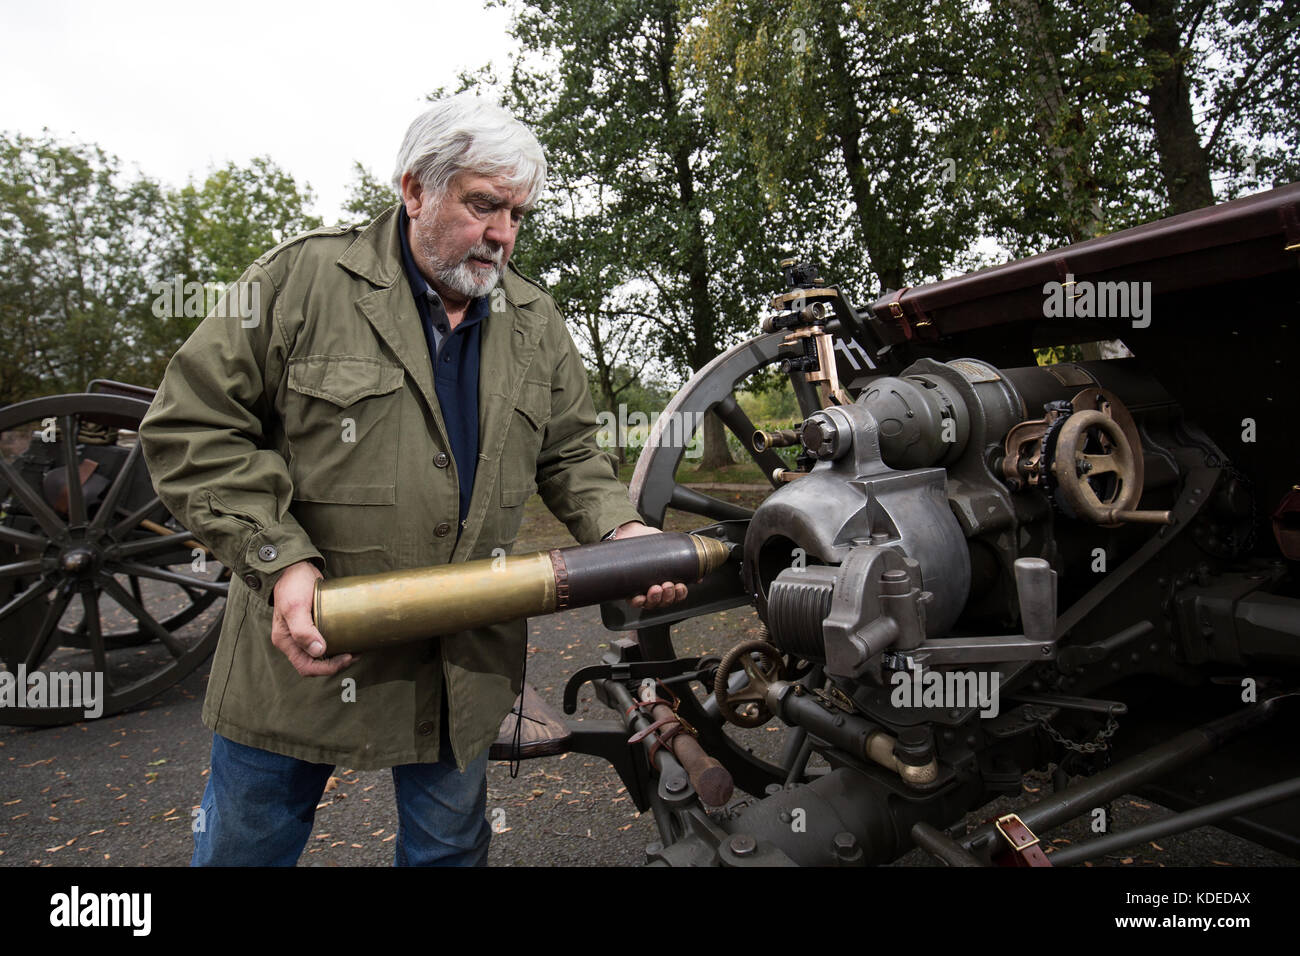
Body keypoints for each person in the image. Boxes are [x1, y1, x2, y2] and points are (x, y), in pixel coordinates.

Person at [139, 95, 686, 866]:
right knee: (244, 848)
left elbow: (571, 458)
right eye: (484, 204)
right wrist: (280, 558)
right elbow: (192, 425)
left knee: (446, 853)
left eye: (518, 213)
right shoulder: (301, 280)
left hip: (461, 665)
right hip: (306, 641)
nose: (502, 234)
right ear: (414, 190)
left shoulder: (536, 320)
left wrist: (624, 534)